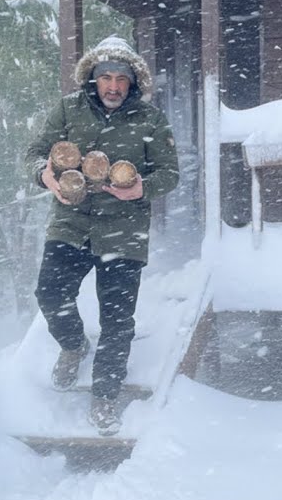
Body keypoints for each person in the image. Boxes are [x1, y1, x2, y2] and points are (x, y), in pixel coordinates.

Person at [23, 36, 179, 434]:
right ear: (93, 79)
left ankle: (105, 395)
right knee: (50, 294)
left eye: (121, 79)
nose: (113, 86)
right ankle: (73, 345)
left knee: (117, 319)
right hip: (70, 224)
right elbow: (36, 153)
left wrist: (140, 187)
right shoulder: (68, 109)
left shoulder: (150, 121)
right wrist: (44, 173)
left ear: (132, 83)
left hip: (123, 232)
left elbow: (170, 173)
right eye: (106, 77)